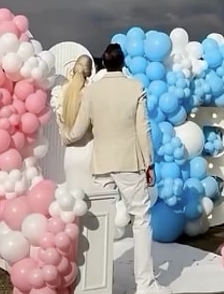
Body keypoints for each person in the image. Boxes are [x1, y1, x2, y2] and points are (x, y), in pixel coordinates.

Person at [67, 43, 166, 293]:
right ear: (123, 63)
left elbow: (79, 129)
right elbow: (144, 130)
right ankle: (145, 284)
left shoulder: (92, 91)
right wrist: (149, 163)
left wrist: (65, 135)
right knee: (141, 220)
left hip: (101, 164)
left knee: (97, 222)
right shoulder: (134, 87)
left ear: (103, 64)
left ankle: (98, 281)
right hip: (129, 163)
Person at [56, 55, 95, 195]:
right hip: (87, 151)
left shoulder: (63, 91)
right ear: (89, 72)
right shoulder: (89, 93)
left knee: (71, 196)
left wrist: (64, 135)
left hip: (70, 154)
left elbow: (60, 119)